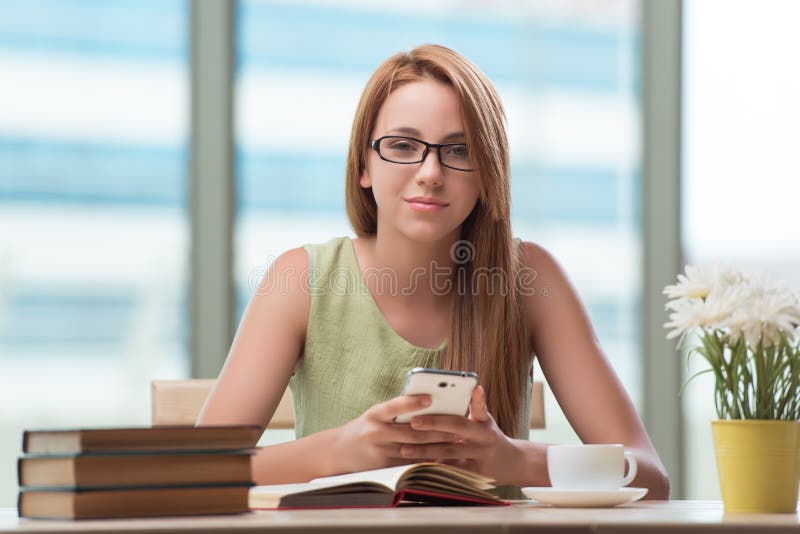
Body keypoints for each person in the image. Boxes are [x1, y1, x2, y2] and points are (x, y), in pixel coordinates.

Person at [196, 44, 670, 499]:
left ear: (487, 174)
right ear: (364, 163)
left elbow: (649, 476)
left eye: (459, 151)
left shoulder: (530, 279)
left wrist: (513, 461)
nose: (430, 172)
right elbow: (199, 473)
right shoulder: (302, 280)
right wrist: (339, 450)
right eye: (403, 145)